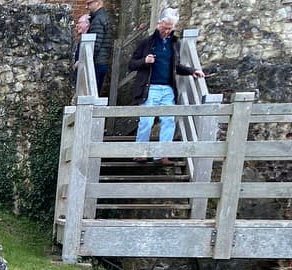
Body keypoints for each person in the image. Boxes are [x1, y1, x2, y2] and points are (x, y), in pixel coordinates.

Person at [129, 8, 206, 165]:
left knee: (169, 120)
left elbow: (176, 67)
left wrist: (193, 71)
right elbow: (131, 64)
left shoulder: (174, 44)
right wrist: (145, 61)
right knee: (146, 121)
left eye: (170, 28)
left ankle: (162, 155)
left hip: (167, 88)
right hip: (150, 88)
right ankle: (140, 153)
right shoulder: (146, 43)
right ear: (159, 24)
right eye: (165, 27)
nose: (167, 31)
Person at [85, 0, 113, 95]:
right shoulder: (103, 17)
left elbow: (95, 44)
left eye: (89, 3)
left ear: (98, 2)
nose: (87, 7)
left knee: (92, 94)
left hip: (97, 62)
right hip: (102, 60)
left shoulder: (98, 19)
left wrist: (87, 59)